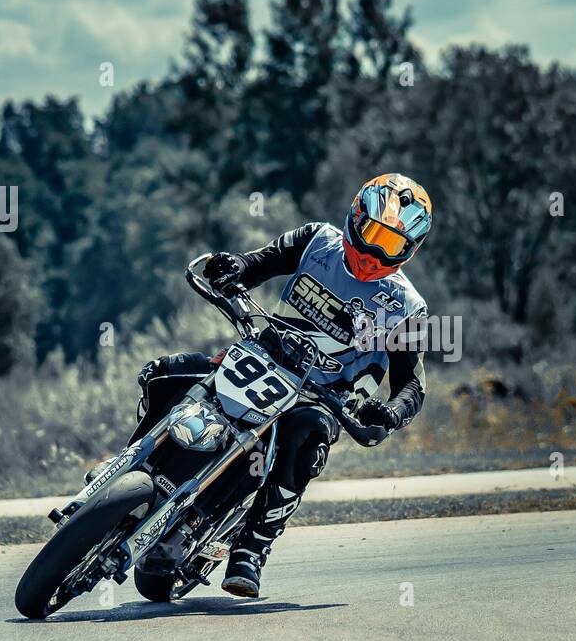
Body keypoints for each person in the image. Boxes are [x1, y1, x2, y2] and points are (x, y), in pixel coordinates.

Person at [139, 173, 433, 597]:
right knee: (169, 371)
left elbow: (412, 384)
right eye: (372, 233)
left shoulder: (407, 307)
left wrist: (390, 413)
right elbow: (258, 263)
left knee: (306, 433)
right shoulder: (317, 239)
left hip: (325, 397)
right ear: (355, 216)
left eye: (391, 245)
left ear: (410, 250)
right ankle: (130, 466)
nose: (374, 252)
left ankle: (252, 548)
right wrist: (234, 267)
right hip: (263, 356)